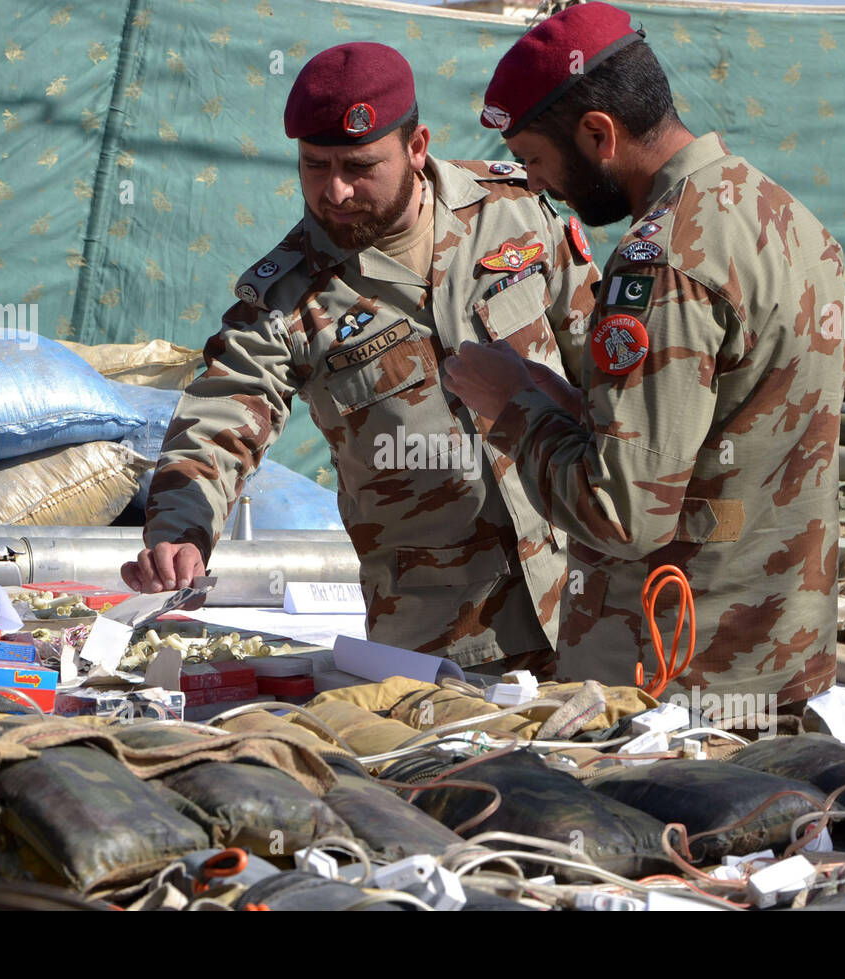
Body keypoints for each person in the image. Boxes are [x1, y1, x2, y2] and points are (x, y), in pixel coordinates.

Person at [122, 42, 600, 675]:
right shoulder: (285, 297)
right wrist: (182, 528)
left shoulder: (513, 210)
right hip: (448, 643)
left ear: (417, 147)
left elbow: (606, 368)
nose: (335, 191)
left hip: (592, 602)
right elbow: (221, 417)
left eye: (359, 165)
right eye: (314, 166)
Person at [442, 3, 845, 715]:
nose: (535, 185)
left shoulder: (659, 262)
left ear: (599, 134)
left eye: (536, 158)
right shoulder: (781, 214)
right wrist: (573, 403)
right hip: (778, 662)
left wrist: (514, 406)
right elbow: (727, 433)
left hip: (671, 684)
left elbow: (622, 512)